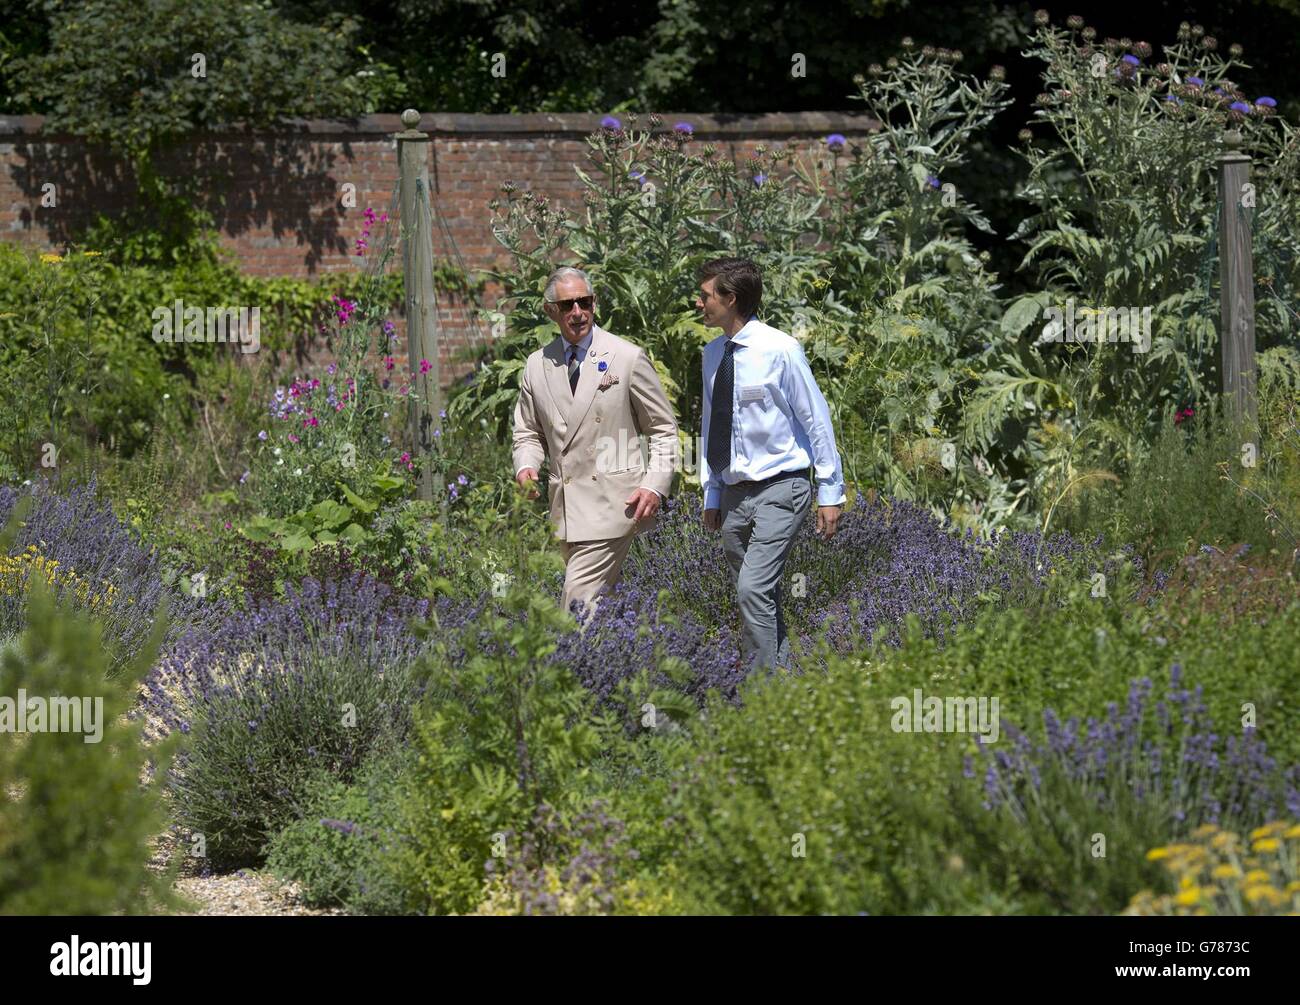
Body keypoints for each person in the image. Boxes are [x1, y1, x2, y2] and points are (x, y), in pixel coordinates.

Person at [697, 256, 845, 672]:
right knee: (758, 595)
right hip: (733, 494)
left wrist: (830, 491)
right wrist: (712, 491)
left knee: (751, 590)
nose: (699, 303)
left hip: (783, 488)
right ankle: (785, 685)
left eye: (706, 295)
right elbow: (711, 425)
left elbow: (816, 420)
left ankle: (758, 694)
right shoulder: (712, 354)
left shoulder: (781, 350)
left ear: (731, 298)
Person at [513, 266, 678, 619]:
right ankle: (626, 671)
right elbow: (527, 430)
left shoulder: (626, 357)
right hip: (566, 509)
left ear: (594, 303)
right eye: (568, 304)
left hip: (615, 506)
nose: (578, 312)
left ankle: (565, 673)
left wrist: (654, 485)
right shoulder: (536, 365)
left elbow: (663, 429)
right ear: (550, 311)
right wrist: (527, 465)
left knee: (576, 607)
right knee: (607, 610)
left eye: (584, 302)